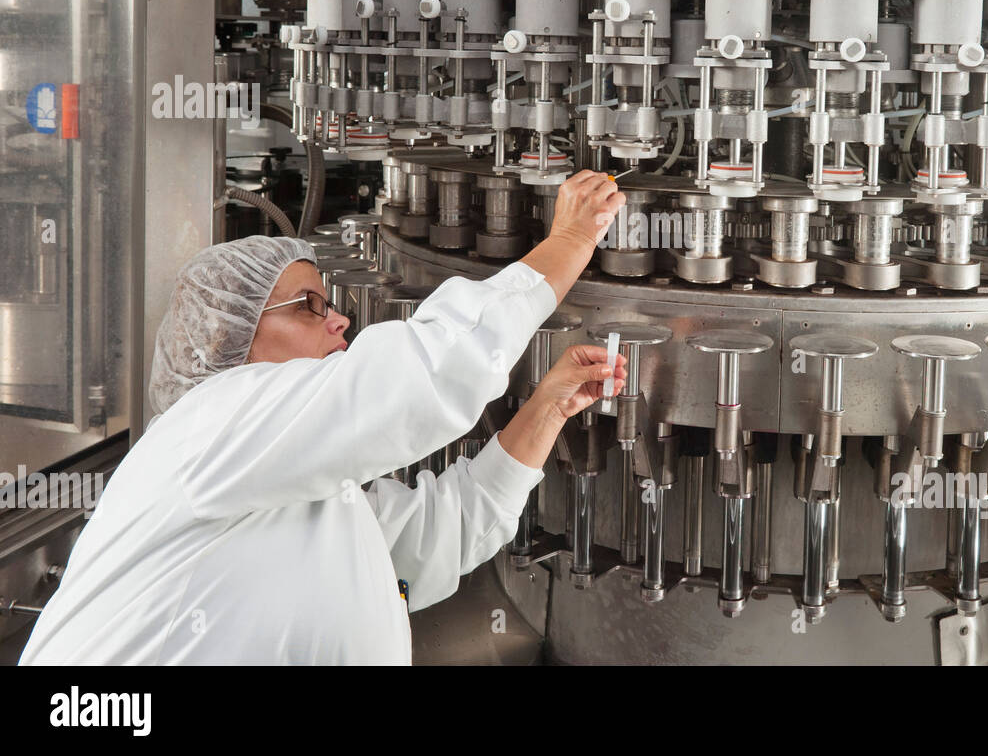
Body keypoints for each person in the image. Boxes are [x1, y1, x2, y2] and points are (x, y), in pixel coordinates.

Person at [20, 170, 627, 665]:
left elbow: (443, 535)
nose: (338, 320)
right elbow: (420, 377)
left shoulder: (301, 494)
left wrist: (549, 406)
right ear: (226, 335)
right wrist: (570, 241)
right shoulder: (208, 424)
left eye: (333, 304)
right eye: (310, 306)